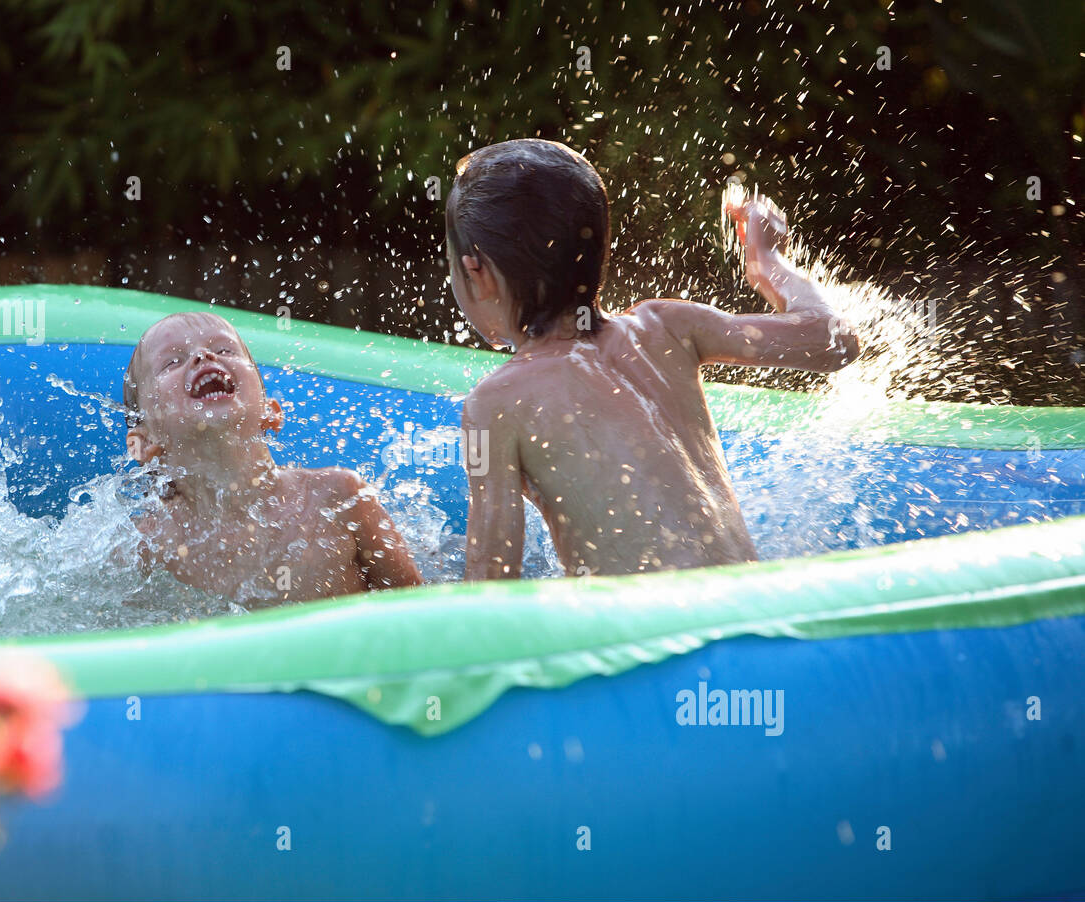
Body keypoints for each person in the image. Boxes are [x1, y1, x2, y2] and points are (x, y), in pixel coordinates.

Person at [445, 138, 859, 579]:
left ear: (478, 271)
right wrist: (766, 261)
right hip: (748, 602)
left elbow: (491, 576)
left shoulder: (494, 403)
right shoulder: (666, 326)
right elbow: (834, 341)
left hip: (651, 633)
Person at [122, 311, 422, 604]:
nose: (203, 356)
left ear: (270, 411)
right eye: (172, 362)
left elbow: (417, 610)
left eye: (224, 349)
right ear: (144, 443)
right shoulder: (148, 544)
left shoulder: (338, 498)